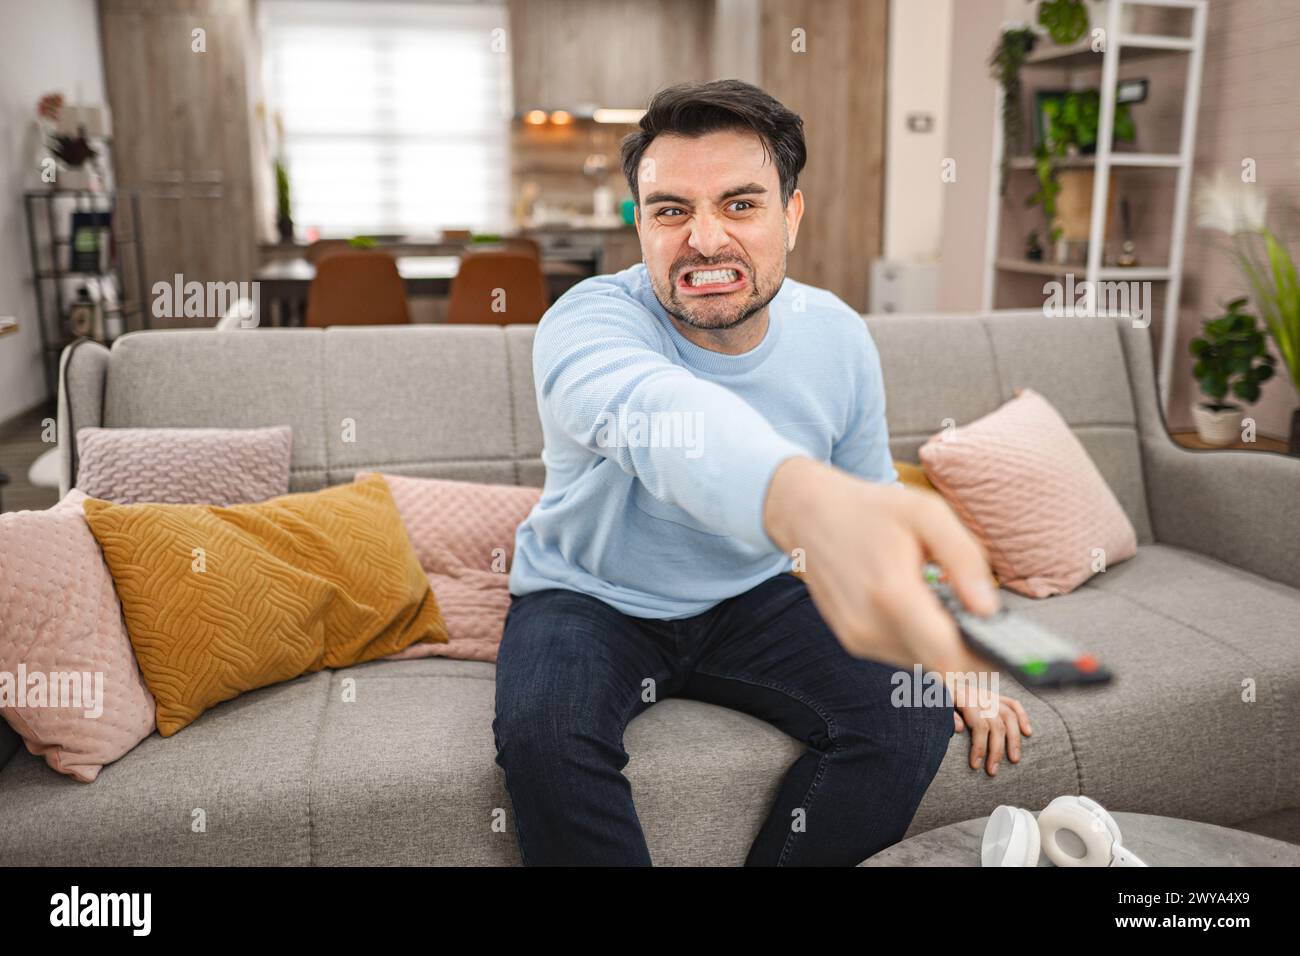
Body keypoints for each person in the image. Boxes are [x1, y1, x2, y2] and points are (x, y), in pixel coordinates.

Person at [493, 79, 1032, 866]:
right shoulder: (587, 321)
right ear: (639, 224)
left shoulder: (838, 336)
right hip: (588, 595)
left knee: (908, 713)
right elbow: (656, 415)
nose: (705, 240)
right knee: (544, 734)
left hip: (756, 592)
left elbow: (875, 497)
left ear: (792, 215)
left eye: (741, 204)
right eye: (671, 210)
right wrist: (798, 494)